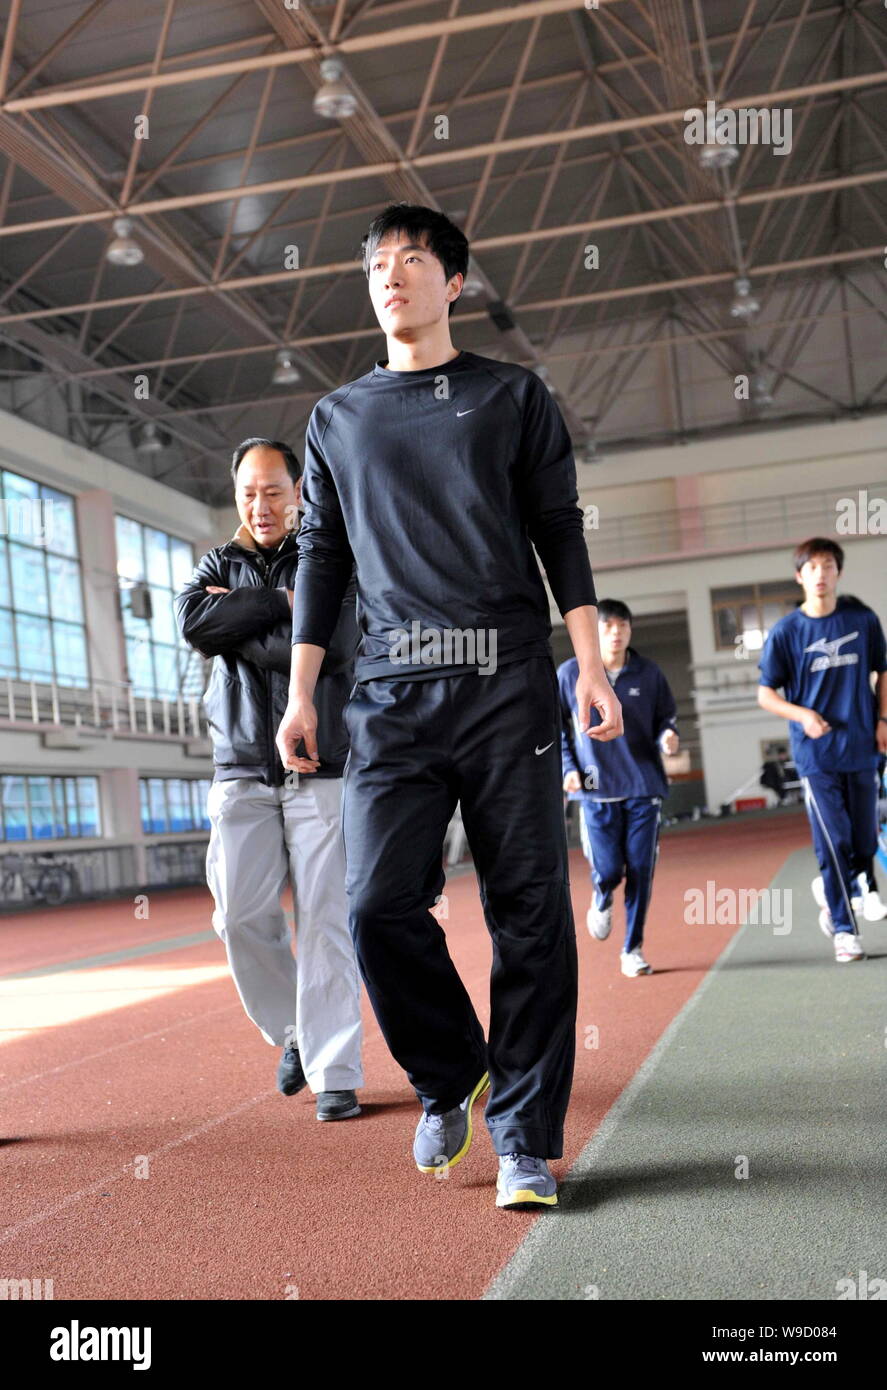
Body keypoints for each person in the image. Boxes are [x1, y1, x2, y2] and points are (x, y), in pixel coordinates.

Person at [275, 202, 622, 1209]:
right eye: (378, 262)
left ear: (454, 282)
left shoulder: (511, 395)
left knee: (527, 915)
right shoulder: (337, 417)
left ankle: (522, 1136)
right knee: (374, 903)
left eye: (414, 258)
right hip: (387, 691)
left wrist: (588, 666)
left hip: (507, 679)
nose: (393, 273)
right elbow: (322, 560)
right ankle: (449, 1073)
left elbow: (559, 531)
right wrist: (302, 693)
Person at [175, 437, 364, 1118]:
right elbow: (194, 623)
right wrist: (287, 604)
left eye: (273, 490)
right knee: (239, 916)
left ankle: (336, 1071)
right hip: (240, 767)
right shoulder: (214, 563)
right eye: (248, 492)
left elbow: (338, 644)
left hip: (320, 765)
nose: (260, 505)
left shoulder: (333, 560)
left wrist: (243, 612)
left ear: (299, 491)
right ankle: (292, 1030)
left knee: (325, 923)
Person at [758, 539, 887, 963]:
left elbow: (883, 672)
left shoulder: (862, 619)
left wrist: (884, 721)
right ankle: (845, 931)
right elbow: (766, 695)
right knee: (834, 839)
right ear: (800, 576)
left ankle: (847, 887)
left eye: (827, 565)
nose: (820, 573)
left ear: (838, 572)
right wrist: (803, 716)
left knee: (865, 837)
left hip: (863, 746)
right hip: (817, 755)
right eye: (811, 567)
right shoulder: (787, 632)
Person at [559, 599, 679, 977]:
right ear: (595, 632)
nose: (615, 632)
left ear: (630, 630)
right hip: (596, 789)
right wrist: (568, 768)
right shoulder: (569, 674)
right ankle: (601, 895)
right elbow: (556, 728)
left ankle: (633, 948)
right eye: (607, 626)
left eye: (622, 626)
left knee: (641, 868)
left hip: (643, 786)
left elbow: (666, 720)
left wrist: (669, 737)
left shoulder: (650, 674)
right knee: (610, 868)